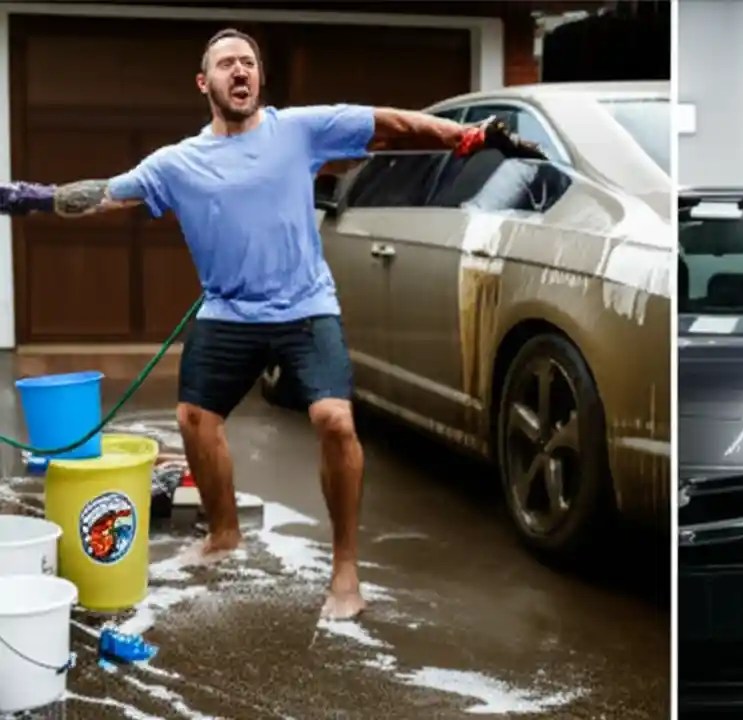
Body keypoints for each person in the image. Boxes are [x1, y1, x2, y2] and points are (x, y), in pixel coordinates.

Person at [0, 28, 544, 621]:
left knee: (334, 420)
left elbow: (388, 123)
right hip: (227, 310)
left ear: (259, 78)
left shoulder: (299, 130)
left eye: (249, 63)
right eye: (226, 64)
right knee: (194, 420)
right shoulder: (176, 163)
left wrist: (463, 135)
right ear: (203, 82)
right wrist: (20, 198)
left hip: (305, 307)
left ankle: (345, 571)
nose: (240, 71)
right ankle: (223, 534)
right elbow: (103, 195)